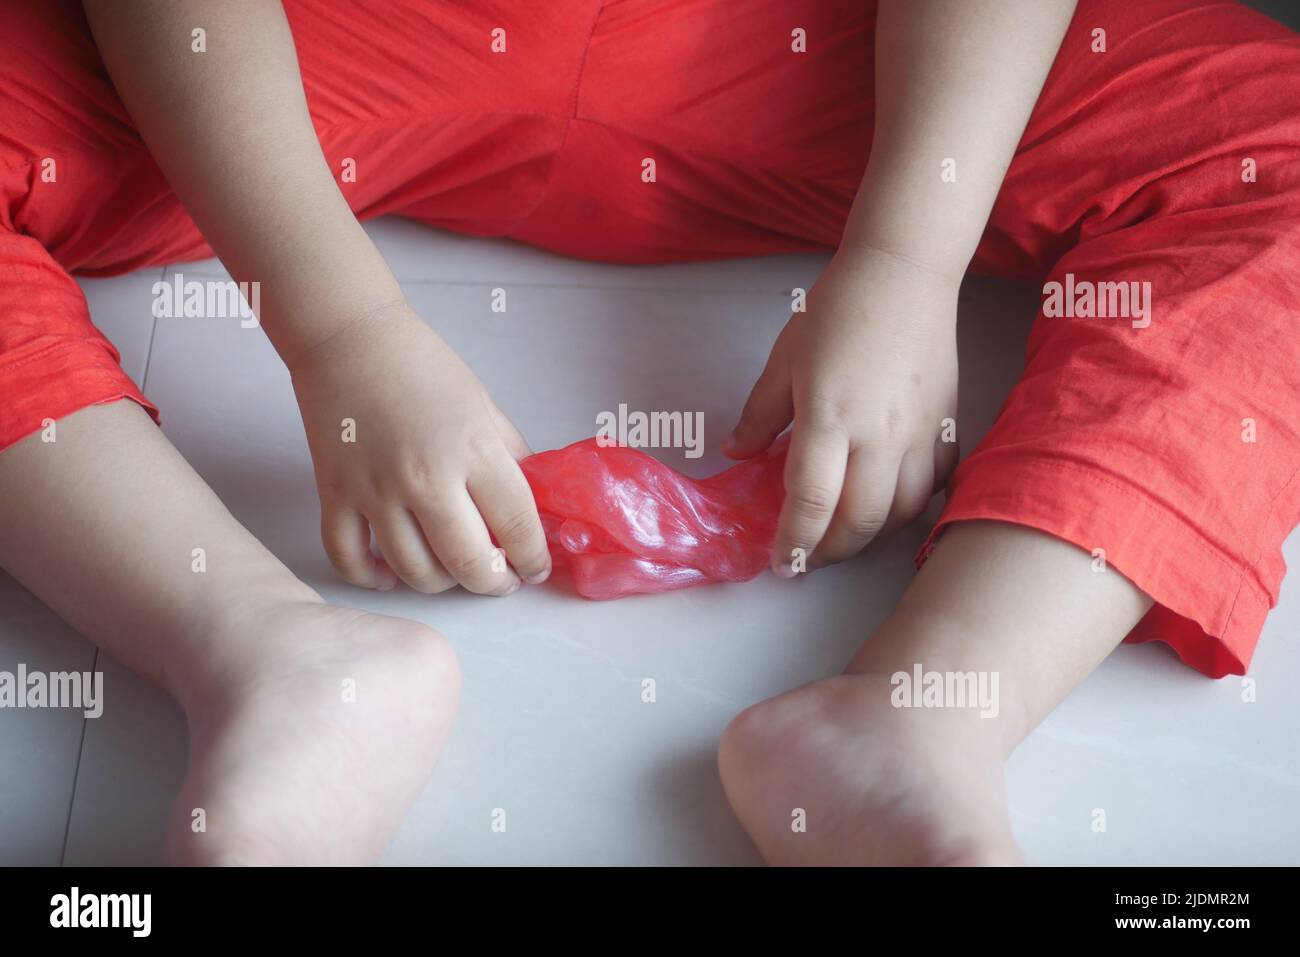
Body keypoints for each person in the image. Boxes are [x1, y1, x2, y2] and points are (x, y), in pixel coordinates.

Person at [1, 0, 1296, 864]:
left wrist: (909, 255)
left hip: (812, 49)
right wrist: (337, 324)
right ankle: (267, 656)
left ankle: (926, 715)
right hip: (307, 47)